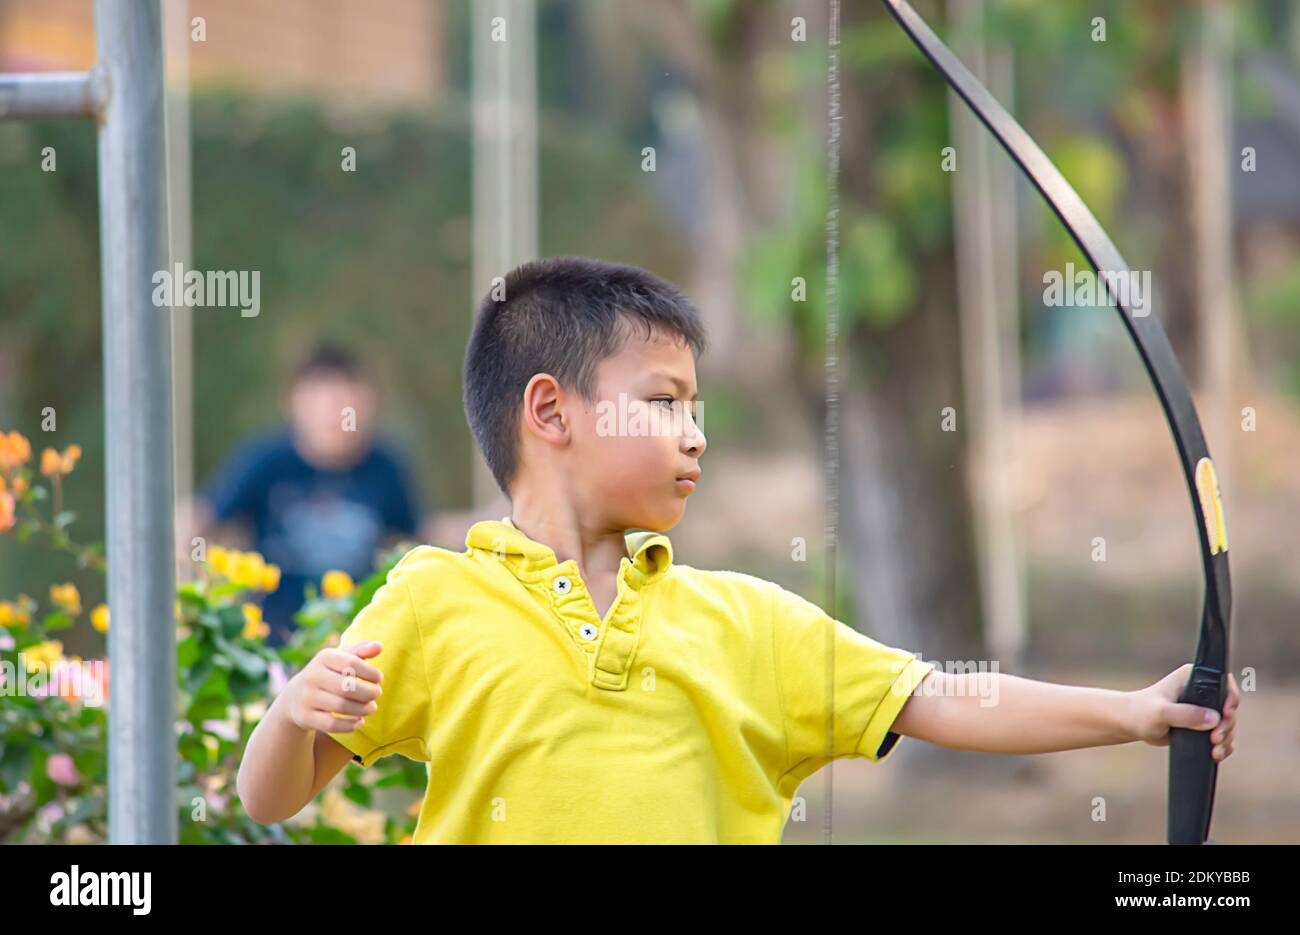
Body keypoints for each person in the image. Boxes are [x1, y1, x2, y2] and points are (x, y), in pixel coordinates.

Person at [236, 257, 1240, 843]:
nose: (695, 431)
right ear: (550, 410)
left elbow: (940, 694)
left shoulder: (747, 620)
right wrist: (291, 710)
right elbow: (268, 792)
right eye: (663, 401)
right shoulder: (430, 597)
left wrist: (1134, 712)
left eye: (699, 406)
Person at [187, 343, 425, 648]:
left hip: (357, 644)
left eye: (345, 401)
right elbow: (204, 518)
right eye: (325, 401)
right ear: (295, 404)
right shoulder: (267, 462)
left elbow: (419, 535)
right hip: (273, 649)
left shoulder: (384, 467)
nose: (335, 414)